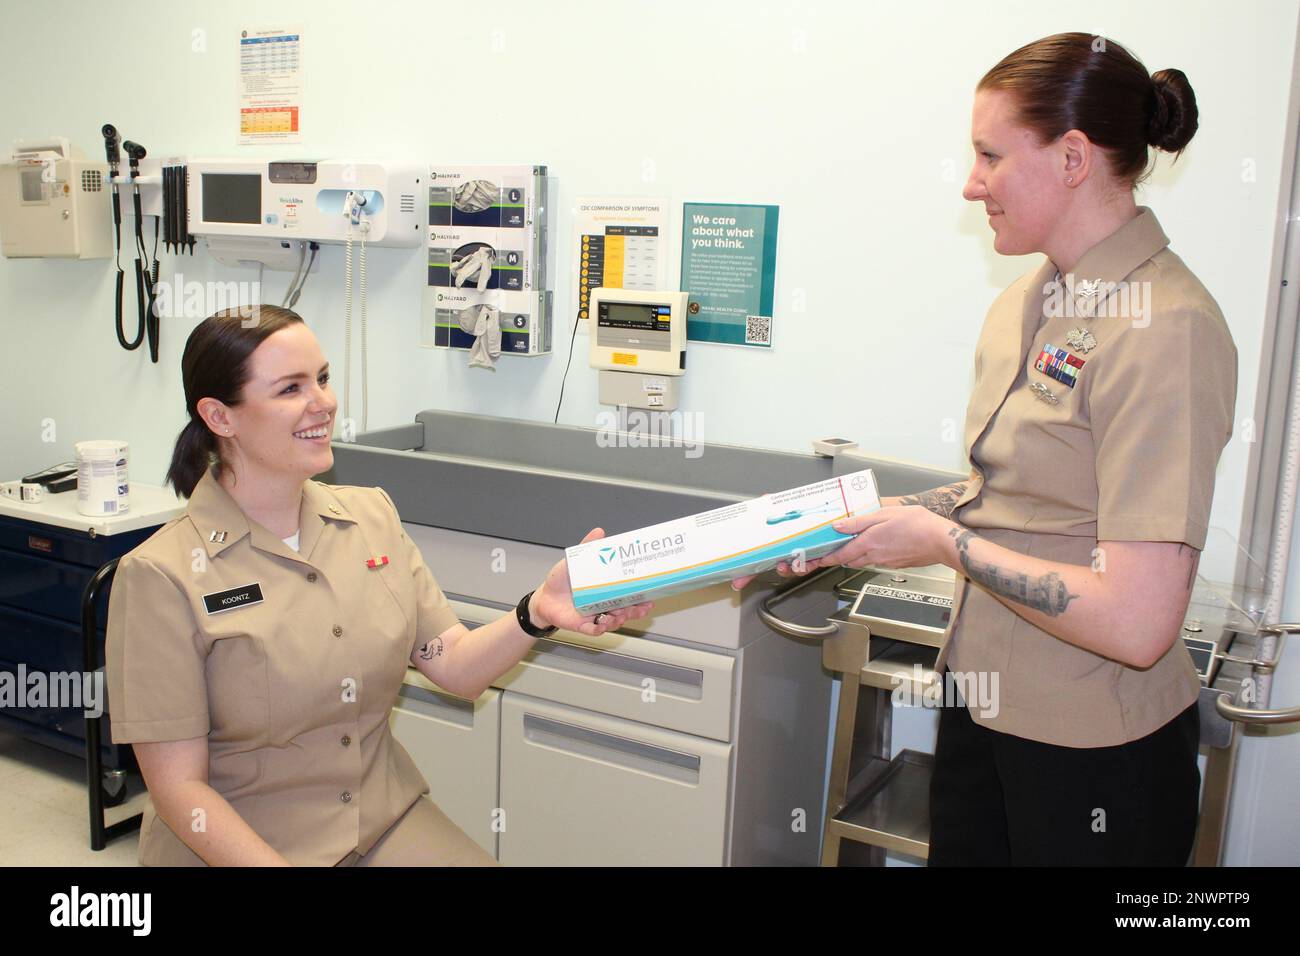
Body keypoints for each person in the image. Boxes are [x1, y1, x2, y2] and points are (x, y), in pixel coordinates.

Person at [738, 33, 1236, 865]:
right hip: (982, 708)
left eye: (990, 156)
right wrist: (873, 518)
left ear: (1073, 158)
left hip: (1093, 759)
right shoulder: (1026, 304)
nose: (972, 185)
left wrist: (943, 543)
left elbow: (1141, 621)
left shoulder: (1167, 331)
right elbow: (1005, 495)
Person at [105, 305, 651, 866]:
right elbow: (179, 791)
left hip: (381, 823)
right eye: (290, 388)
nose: (323, 402)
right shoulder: (160, 575)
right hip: (242, 845)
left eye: (321, 377)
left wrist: (537, 612)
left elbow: (454, 665)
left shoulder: (370, 518)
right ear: (221, 417)